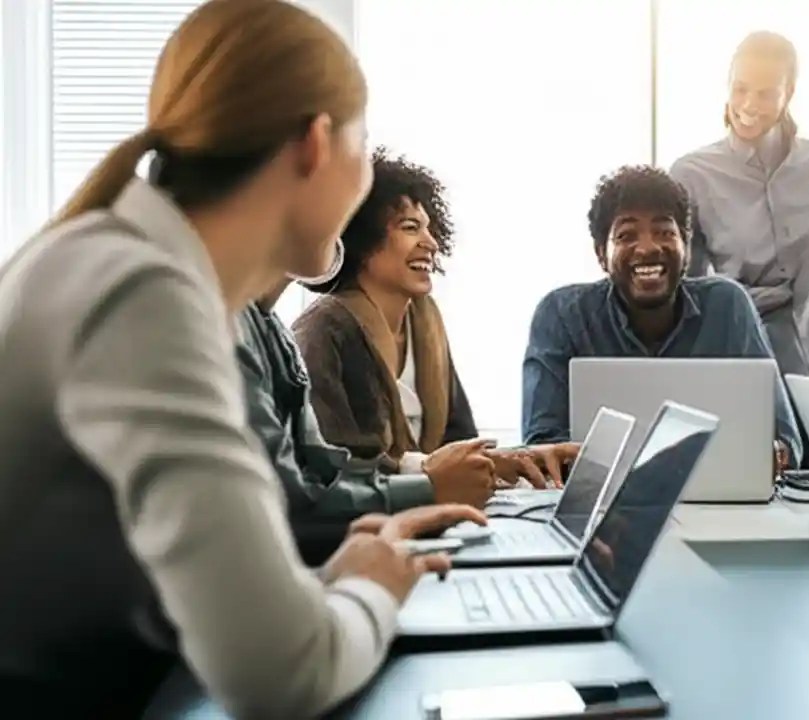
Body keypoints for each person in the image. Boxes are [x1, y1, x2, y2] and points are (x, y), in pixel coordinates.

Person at [0, 1, 484, 716]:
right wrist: (373, 585)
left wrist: (322, 589)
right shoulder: (142, 297)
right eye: (364, 144)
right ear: (317, 144)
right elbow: (285, 675)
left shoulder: (130, 268)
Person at [293, 147, 577, 498]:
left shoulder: (426, 323)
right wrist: (426, 473)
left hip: (439, 516)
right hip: (370, 526)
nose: (430, 243)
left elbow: (461, 445)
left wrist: (520, 460)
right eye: (410, 228)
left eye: (429, 229)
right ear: (361, 237)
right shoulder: (323, 331)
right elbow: (334, 468)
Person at [522, 164, 803, 467]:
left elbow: (785, 439)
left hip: (724, 503)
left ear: (686, 246)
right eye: (626, 235)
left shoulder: (728, 306)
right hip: (603, 506)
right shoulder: (561, 316)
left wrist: (773, 456)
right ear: (601, 254)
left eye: (664, 231)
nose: (648, 247)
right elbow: (541, 447)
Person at [669, 30, 809, 468]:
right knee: (744, 478)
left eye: (767, 92)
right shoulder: (692, 172)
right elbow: (689, 284)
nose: (750, 104)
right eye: (740, 89)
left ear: (790, 92)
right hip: (737, 351)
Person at [238, 277, 494, 565]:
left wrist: (474, 468)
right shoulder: (316, 325)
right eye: (409, 228)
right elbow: (288, 505)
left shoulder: (269, 326)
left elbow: (324, 469)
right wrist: (428, 488)